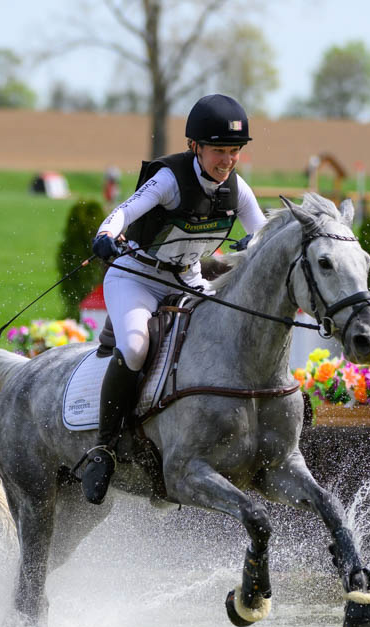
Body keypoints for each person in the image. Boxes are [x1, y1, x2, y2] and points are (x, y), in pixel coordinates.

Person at [74, 94, 266, 504]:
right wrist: (106, 236)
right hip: (136, 278)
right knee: (137, 346)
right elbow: (123, 213)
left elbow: (263, 237)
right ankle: (103, 449)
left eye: (234, 151)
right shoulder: (168, 180)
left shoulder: (238, 189)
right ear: (195, 146)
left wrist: (258, 245)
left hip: (187, 281)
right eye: (219, 150)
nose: (227, 160)